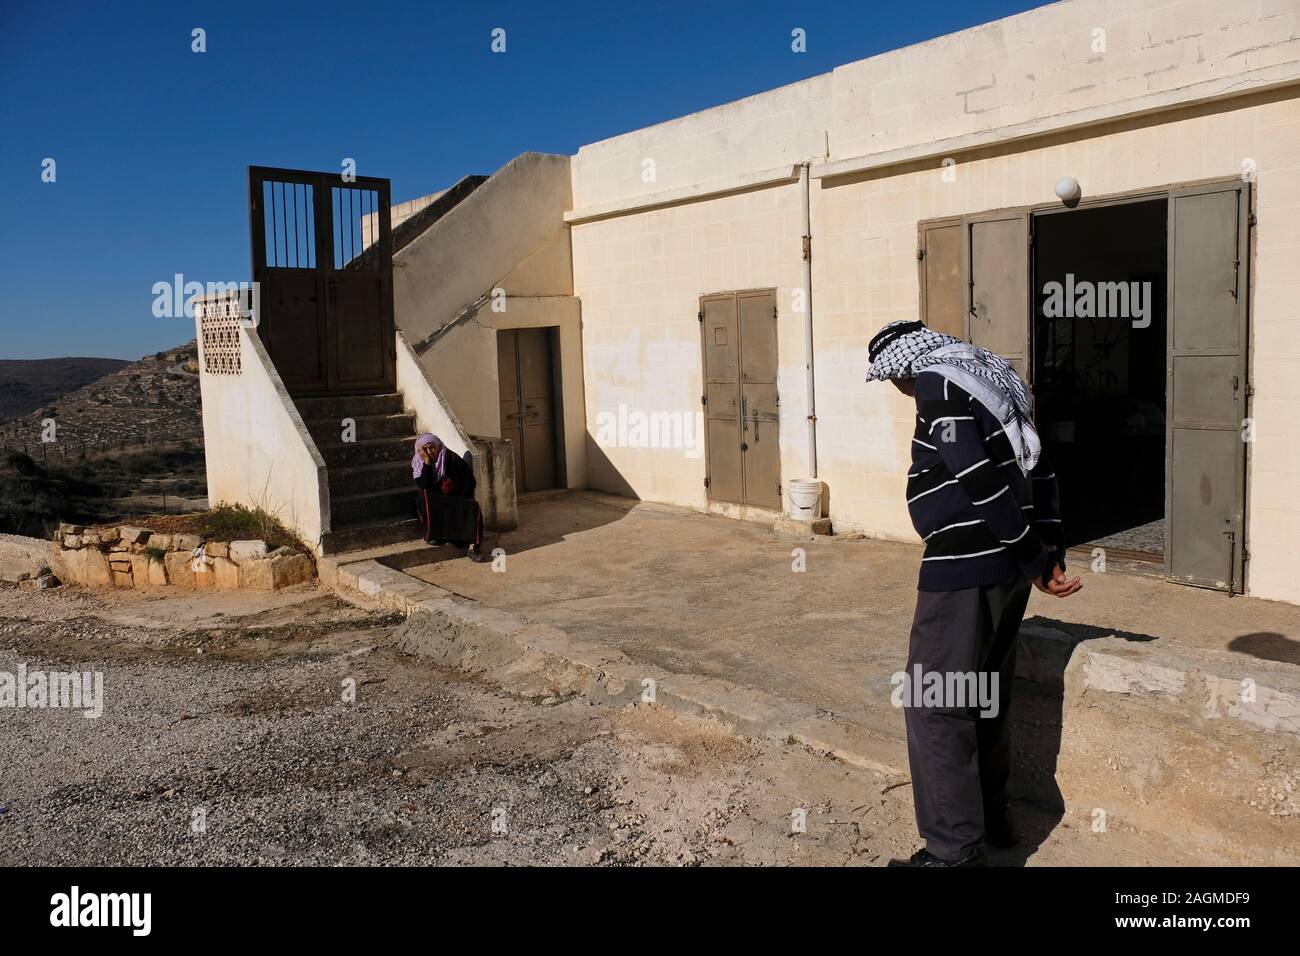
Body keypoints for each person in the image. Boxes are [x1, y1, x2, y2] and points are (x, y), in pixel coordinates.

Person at [865, 320, 1083, 868]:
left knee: (934, 702)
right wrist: (1044, 552)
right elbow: (1043, 469)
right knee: (983, 694)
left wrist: (1035, 556)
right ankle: (993, 824)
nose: (899, 389)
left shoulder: (938, 383)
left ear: (903, 364)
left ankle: (953, 853)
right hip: (1006, 568)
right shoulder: (993, 375)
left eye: (893, 378)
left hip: (964, 565)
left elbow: (976, 475)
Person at [412, 433, 487, 563]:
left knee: (473, 506)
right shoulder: (419, 463)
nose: (430, 451)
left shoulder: (451, 458)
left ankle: (473, 548)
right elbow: (424, 484)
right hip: (437, 503)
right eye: (426, 449)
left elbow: (469, 482)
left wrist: (458, 500)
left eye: (432, 447)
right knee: (423, 496)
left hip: (455, 499)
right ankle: (436, 535)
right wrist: (427, 462)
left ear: (439, 446)